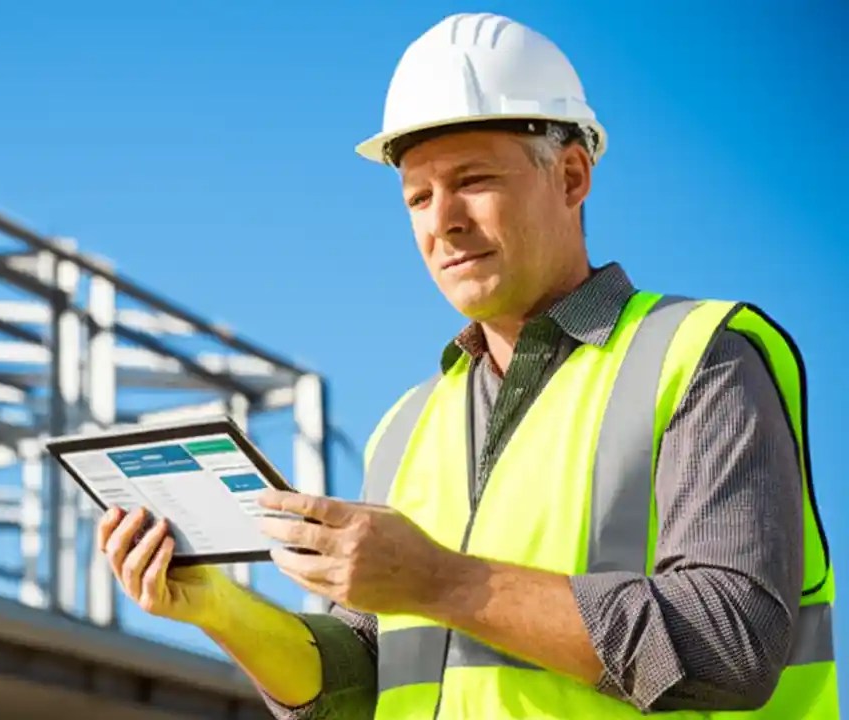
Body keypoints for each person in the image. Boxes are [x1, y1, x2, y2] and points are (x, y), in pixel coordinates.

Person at [97, 12, 837, 719]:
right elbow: (359, 687)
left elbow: (731, 643)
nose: (442, 220)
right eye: (418, 195)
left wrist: (441, 580)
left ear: (573, 177)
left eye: (473, 180)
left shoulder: (698, 357)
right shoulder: (408, 425)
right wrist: (217, 606)